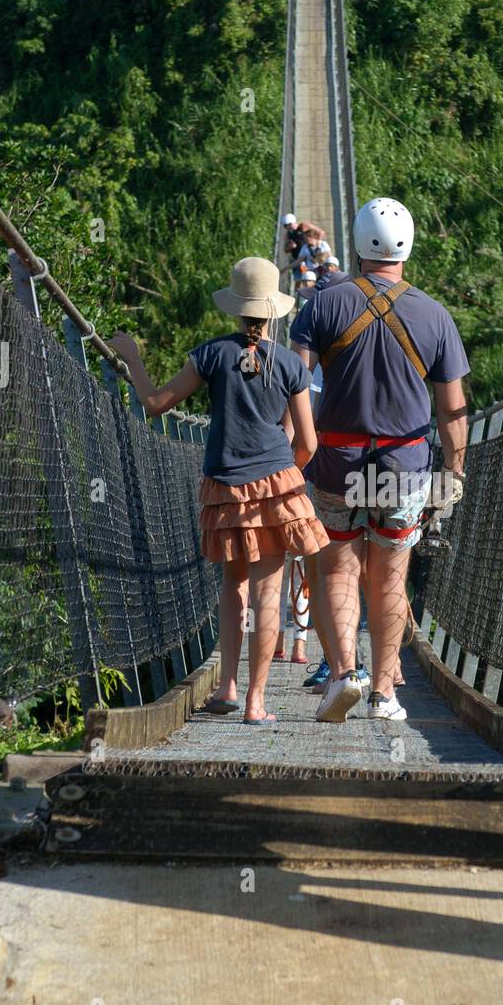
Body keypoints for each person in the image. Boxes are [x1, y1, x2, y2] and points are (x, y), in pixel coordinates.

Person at [109, 256, 329, 724]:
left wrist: (130, 356)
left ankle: (227, 685)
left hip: (225, 487)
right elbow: (308, 442)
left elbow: (154, 404)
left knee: (234, 586)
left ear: (234, 308)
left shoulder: (211, 354)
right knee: (270, 593)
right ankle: (256, 703)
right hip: (278, 485)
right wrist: (285, 475)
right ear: (275, 311)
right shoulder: (291, 364)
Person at [291, 196, 470, 723]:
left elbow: (297, 389)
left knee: (338, 570)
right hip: (403, 462)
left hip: (337, 458)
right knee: (391, 577)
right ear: (407, 246)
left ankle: (345, 674)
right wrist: (454, 470)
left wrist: (293, 453)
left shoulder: (322, 305)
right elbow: (452, 407)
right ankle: (386, 695)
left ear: (356, 241)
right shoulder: (435, 315)